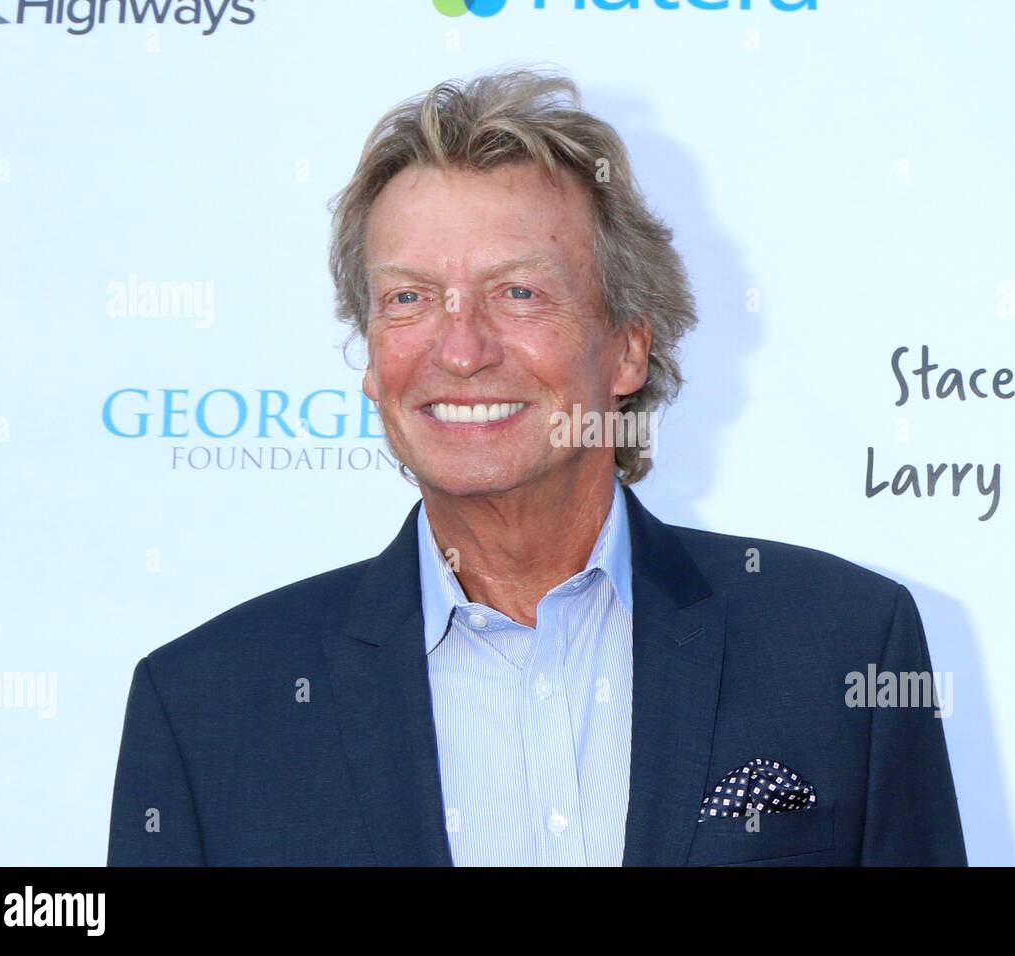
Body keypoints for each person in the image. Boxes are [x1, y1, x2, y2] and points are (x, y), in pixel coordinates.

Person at [107, 67, 967, 867]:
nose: (463, 348)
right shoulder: (205, 709)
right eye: (408, 299)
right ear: (369, 357)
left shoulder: (841, 643)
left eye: (518, 291)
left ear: (630, 345)